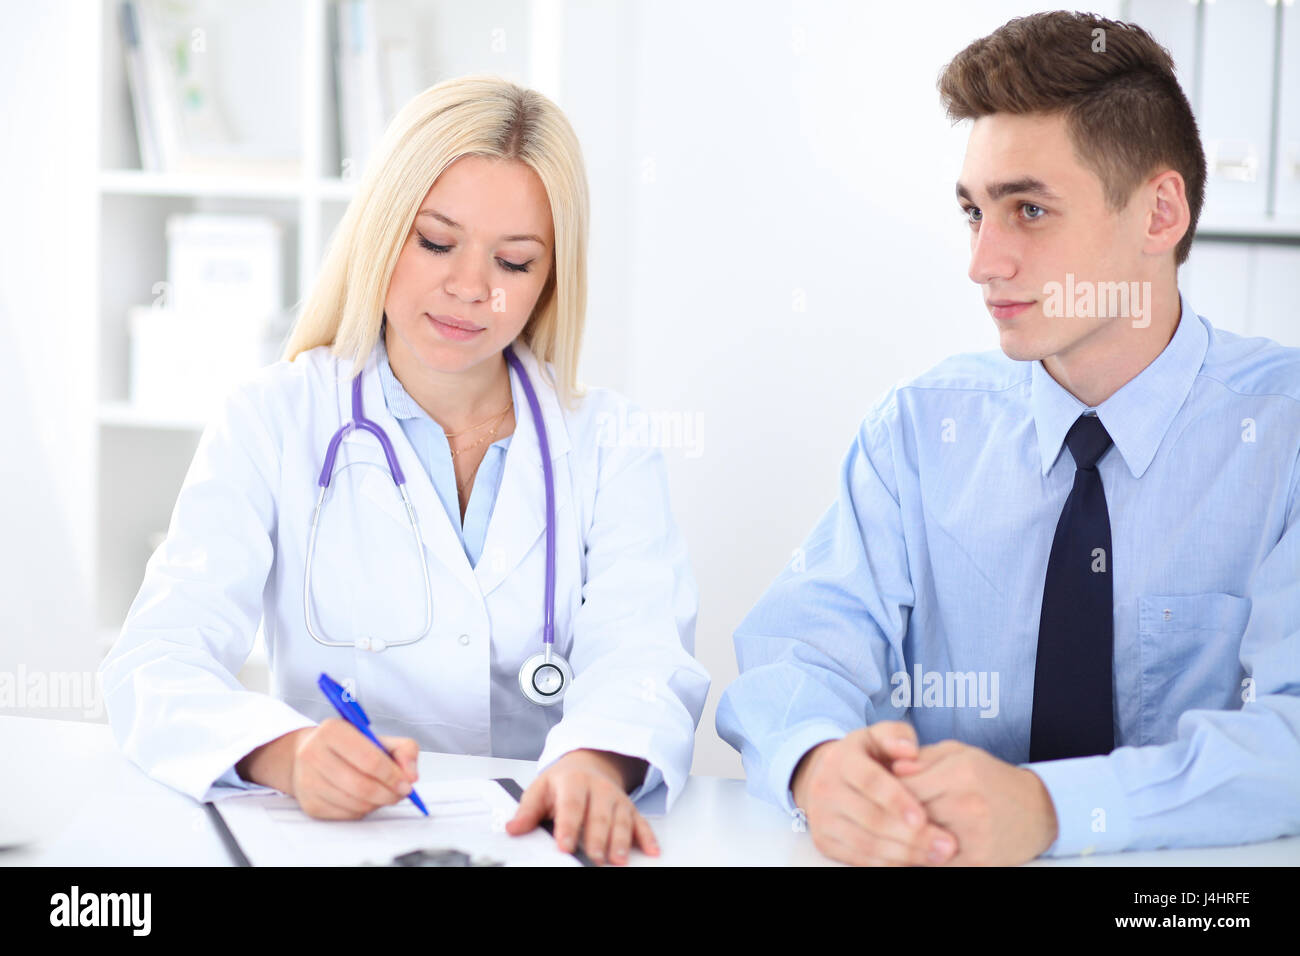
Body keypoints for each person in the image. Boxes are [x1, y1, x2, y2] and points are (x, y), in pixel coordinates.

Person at [717, 11, 1300, 865]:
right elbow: (793, 652)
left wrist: (1050, 808)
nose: (983, 262)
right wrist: (818, 762)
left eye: (1029, 209)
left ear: (1159, 212)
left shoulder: (1281, 437)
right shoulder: (918, 431)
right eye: (973, 212)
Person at [100, 74, 709, 866]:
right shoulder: (275, 417)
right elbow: (156, 657)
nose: (470, 288)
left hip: (534, 842)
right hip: (333, 842)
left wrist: (594, 759)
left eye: (515, 262)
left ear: (550, 280)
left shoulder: (609, 440)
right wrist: (281, 755)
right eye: (435, 241)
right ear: (383, 230)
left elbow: (644, 654)